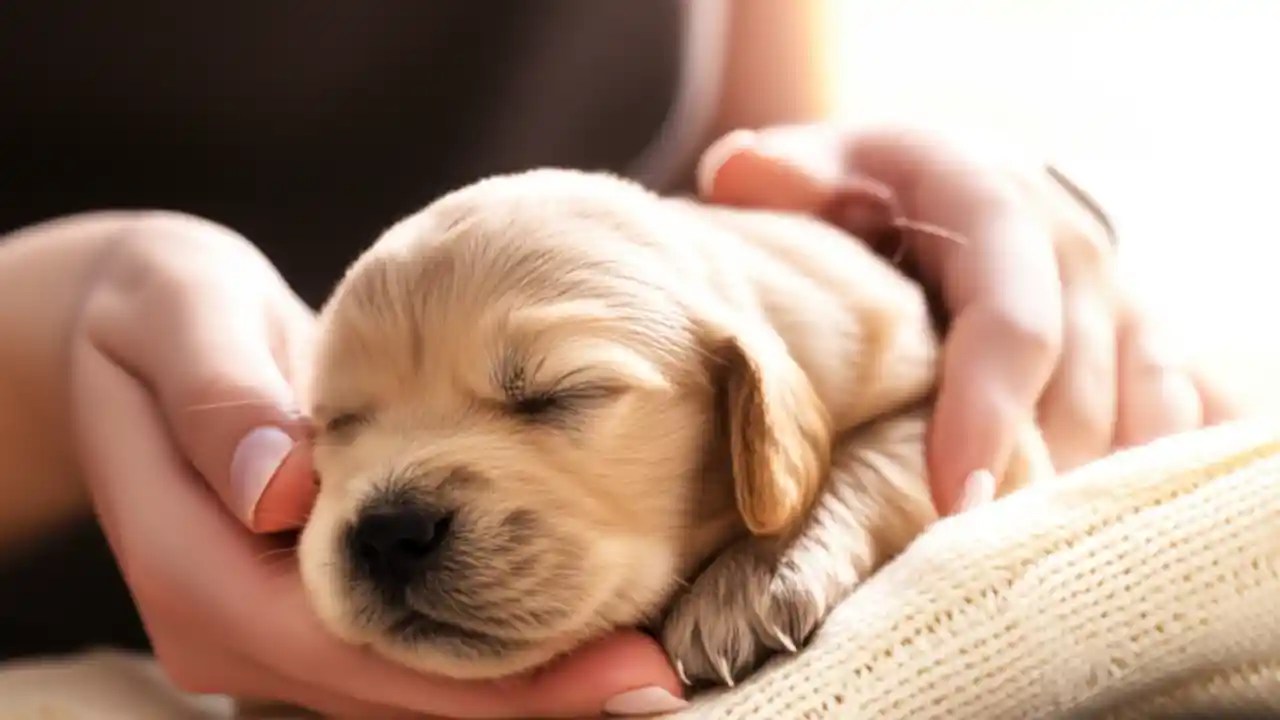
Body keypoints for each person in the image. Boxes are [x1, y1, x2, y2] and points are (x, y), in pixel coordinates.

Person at [0, 1, 1244, 717]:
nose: (384, 508)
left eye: (548, 396)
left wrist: (941, 221)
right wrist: (45, 348)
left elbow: (755, 158)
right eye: (343, 425)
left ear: (760, 412)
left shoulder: (770, 365)